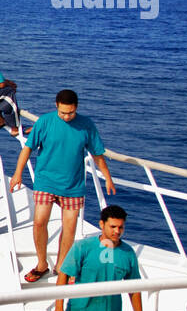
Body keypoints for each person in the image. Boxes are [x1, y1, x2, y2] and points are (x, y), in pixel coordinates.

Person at [9, 89, 117, 281]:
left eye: (71, 113)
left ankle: (61, 267)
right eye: (63, 113)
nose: (67, 116)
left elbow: (98, 154)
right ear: (56, 106)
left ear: (77, 108)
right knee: (40, 221)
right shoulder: (44, 122)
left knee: (70, 226)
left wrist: (107, 177)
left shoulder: (87, 125)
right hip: (46, 181)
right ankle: (42, 264)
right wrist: (18, 173)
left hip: (73, 185)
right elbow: (27, 149)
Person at [52, 205, 145, 311]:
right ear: (102, 224)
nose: (117, 231)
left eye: (121, 227)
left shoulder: (128, 253)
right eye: (113, 227)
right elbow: (63, 275)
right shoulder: (82, 247)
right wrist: (58, 309)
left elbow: (134, 289)